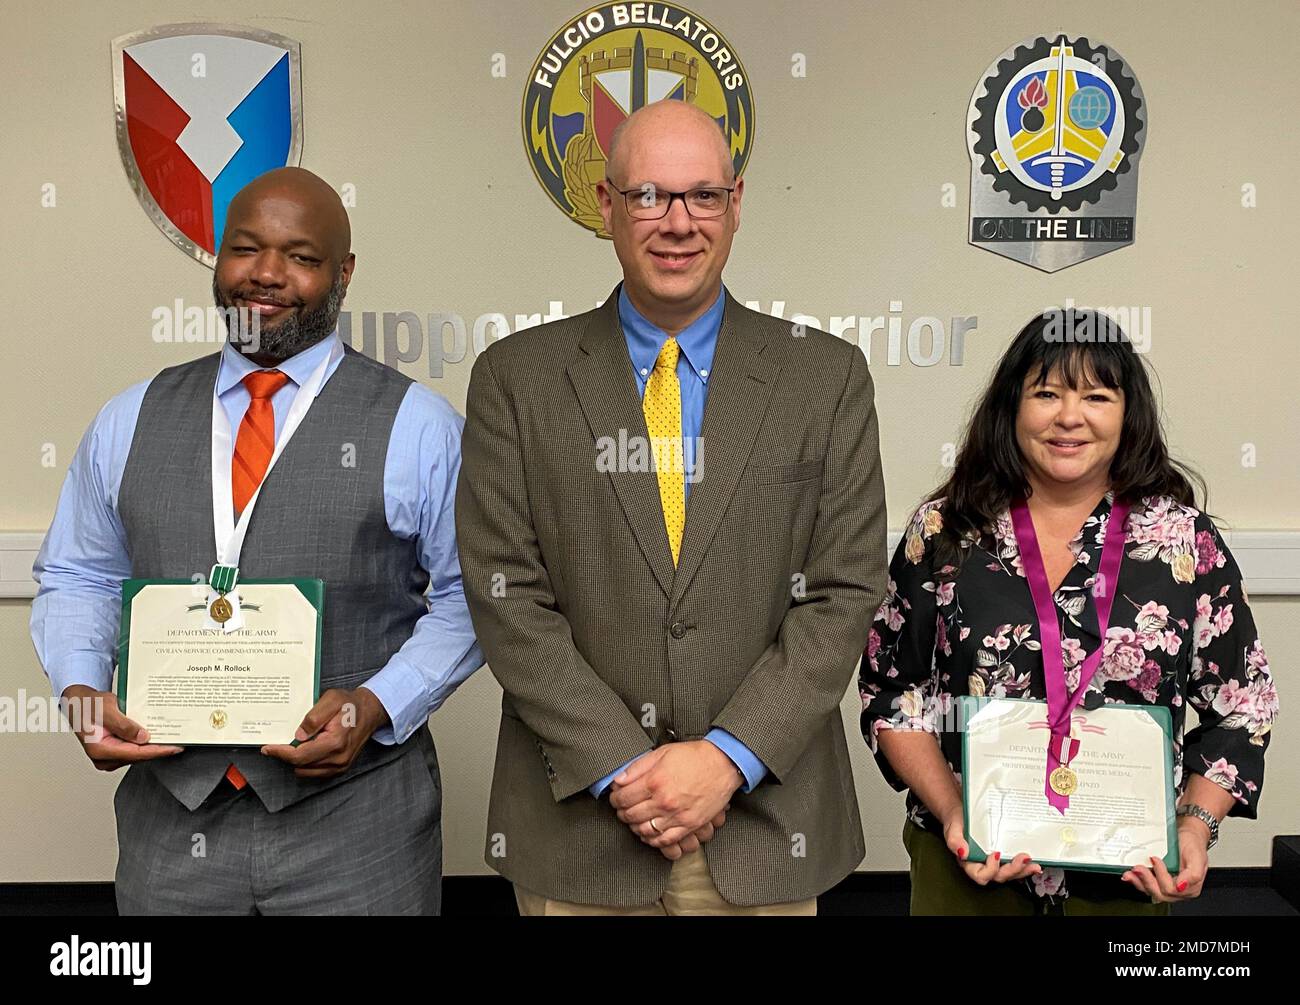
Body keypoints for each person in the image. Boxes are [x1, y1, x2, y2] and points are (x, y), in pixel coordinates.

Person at [456, 99, 888, 915]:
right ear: (608, 207)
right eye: (650, 195)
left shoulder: (825, 377)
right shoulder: (517, 379)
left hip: (764, 832)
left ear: (737, 202)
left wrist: (726, 758)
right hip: (583, 832)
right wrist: (625, 767)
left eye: (703, 195)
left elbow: (844, 591)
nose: (678, 222)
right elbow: (506, 594)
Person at [31, 167, 482, 915]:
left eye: (300, 256)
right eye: (245, 249)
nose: (266, 274)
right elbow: (79, 573)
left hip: (357, 828)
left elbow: (474, 595)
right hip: (172, 827)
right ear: (218, 258)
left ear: (344, 273)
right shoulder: (130, 416)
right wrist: (80, 689)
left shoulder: (420, 425)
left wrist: (374, 703)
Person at [859, 308, 1277, 915]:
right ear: (1012, 407)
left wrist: (1193, 825)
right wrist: (956, 814)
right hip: (969, 868)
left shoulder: (1184, 541)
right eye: (1047, 393)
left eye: (1097, 396)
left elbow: (1243, 705)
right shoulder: (946, 531)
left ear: (1128, 413)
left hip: (1128, 875)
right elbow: (894, 693)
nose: (1069, 417)